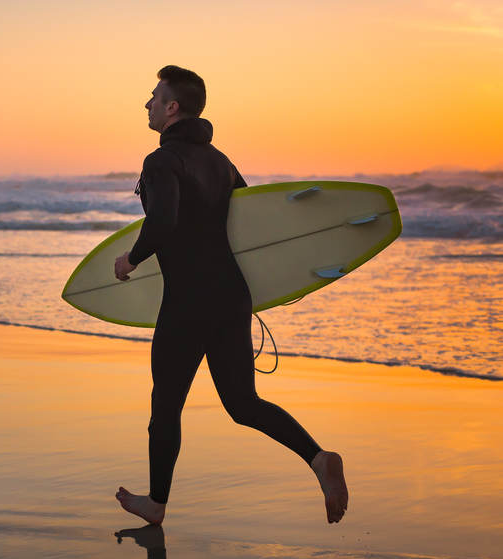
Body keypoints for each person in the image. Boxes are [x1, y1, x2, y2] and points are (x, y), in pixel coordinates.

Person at [113, 65, 348, 525]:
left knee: (165, 407)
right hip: (230, 297)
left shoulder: (161, 161)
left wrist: (131, 260)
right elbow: (249, 226)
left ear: (172, 107)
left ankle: (157, 503)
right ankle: (318, 459)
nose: (148, 103)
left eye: (154, 96)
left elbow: (163, 223)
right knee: (243, 404)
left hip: (188, 303)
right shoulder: (221, 161)